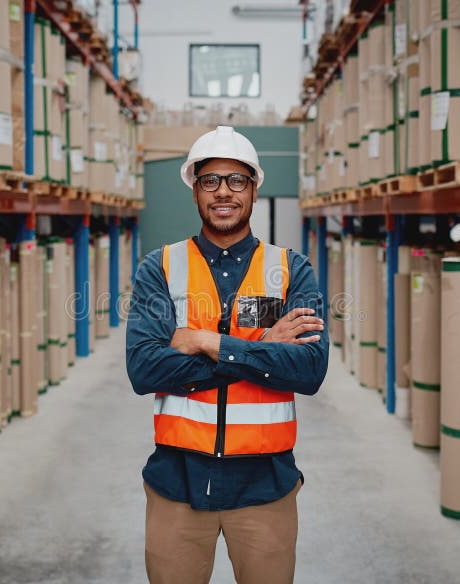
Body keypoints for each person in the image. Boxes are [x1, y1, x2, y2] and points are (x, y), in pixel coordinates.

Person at [126, 126, 329, 584]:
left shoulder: (290, 270)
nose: (223, 192)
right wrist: (262, 351)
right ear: (194, 190)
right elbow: (144, 368)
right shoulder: (159, 268)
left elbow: (311, 369)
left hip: (265, 489)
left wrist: (206, 341)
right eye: (210, 180)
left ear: (254, 189)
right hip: (176, 484)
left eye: (237, 180)